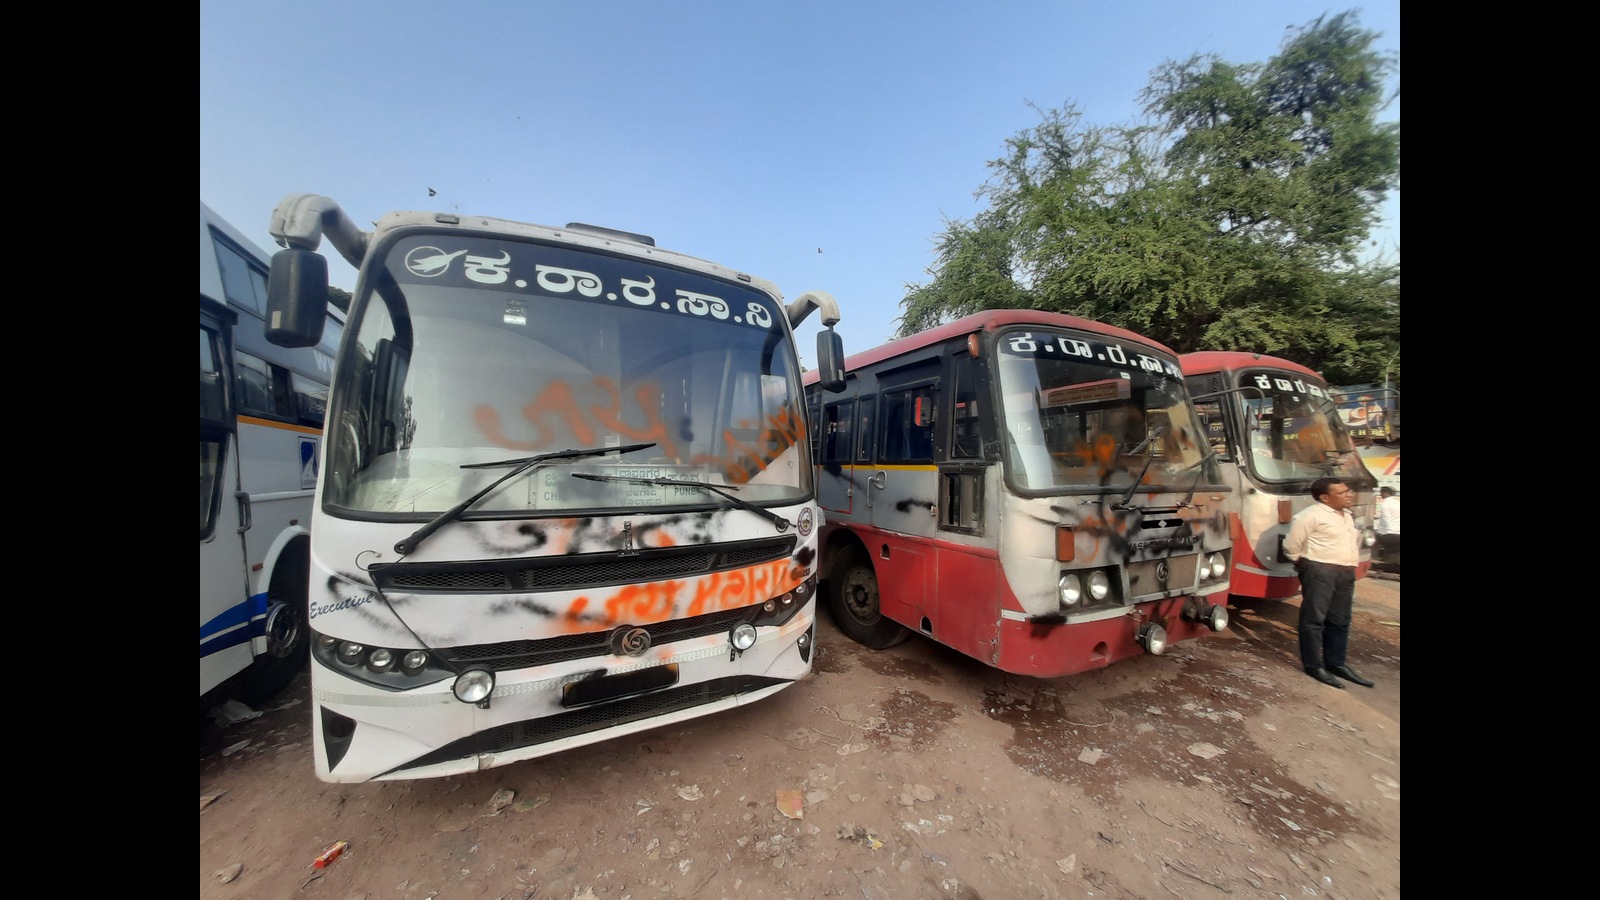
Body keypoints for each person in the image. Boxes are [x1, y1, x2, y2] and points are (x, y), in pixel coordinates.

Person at [1283, 477, 1373, 689]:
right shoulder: (1310, 516)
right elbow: (1291, 545)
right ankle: (1314, 665)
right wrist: (1305, 566)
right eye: (1342, 493)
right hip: (1320, 570)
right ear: (1325, 497)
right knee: (1314, 620)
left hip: (1345, 572)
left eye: (1347, 491)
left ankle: (1336, 663)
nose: (1349, 495)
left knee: (1340, 620)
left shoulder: (1346, 516)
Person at [1374, 486, 1400, 560]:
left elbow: (1386, 518)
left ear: (1385, 493)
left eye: (1381, 493)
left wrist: (1388, 532)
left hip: (1387, 533)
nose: (1380, 495)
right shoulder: (1398, 503)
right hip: (1398, 533)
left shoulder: (1384, 503)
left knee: (1369, 542)